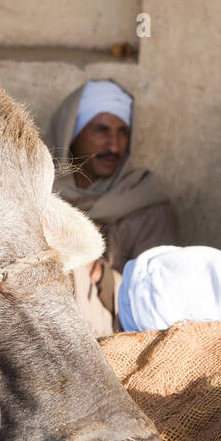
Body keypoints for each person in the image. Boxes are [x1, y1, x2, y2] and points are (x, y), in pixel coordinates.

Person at [49, 79, 180, 335]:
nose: (114, 146)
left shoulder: (147, 206)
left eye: (123, 133)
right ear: (72, 134)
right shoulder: (41, 198)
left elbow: (160, 299)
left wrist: (97, 275)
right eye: (101, 130)